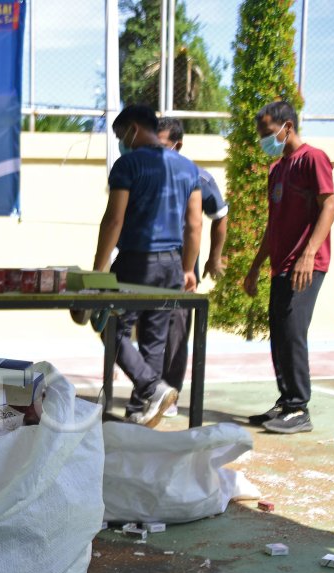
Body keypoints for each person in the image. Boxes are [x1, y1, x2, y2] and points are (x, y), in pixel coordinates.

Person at [92, 104, 201, 428]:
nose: (120, 141)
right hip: (171, 263)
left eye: (119, 135)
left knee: (108, 326)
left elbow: (114, 219)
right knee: (154, 339)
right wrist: (187, 267)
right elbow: (194, 225)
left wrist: (98, 270)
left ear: (133, 129)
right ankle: (141, 409)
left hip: (136, 261)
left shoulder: (128, 164)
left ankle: (151, 388)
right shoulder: (188, 168)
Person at [243, 101, 334, 434]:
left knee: (293, 332)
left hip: (307, 265)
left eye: (268, 133)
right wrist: (255, 267)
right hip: (282, 265)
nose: (265, 140)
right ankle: (286, 402)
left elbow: (329, 207)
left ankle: (299, 408)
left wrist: (309, 253)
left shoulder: (314, 159)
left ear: (288, 127)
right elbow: (274, 224)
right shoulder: (278, 169)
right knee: (280, 333)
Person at [156, 117, 229, 416]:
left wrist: (213, 257)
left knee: (175, 332)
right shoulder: (146, 171)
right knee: (145, 330)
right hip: (146, 264)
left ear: (177, 144)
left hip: (180, 269)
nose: (155, 151)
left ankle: (169, 394)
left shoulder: (197, 176)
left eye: (161, 145)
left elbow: (219, 215)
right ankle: (149, 389)